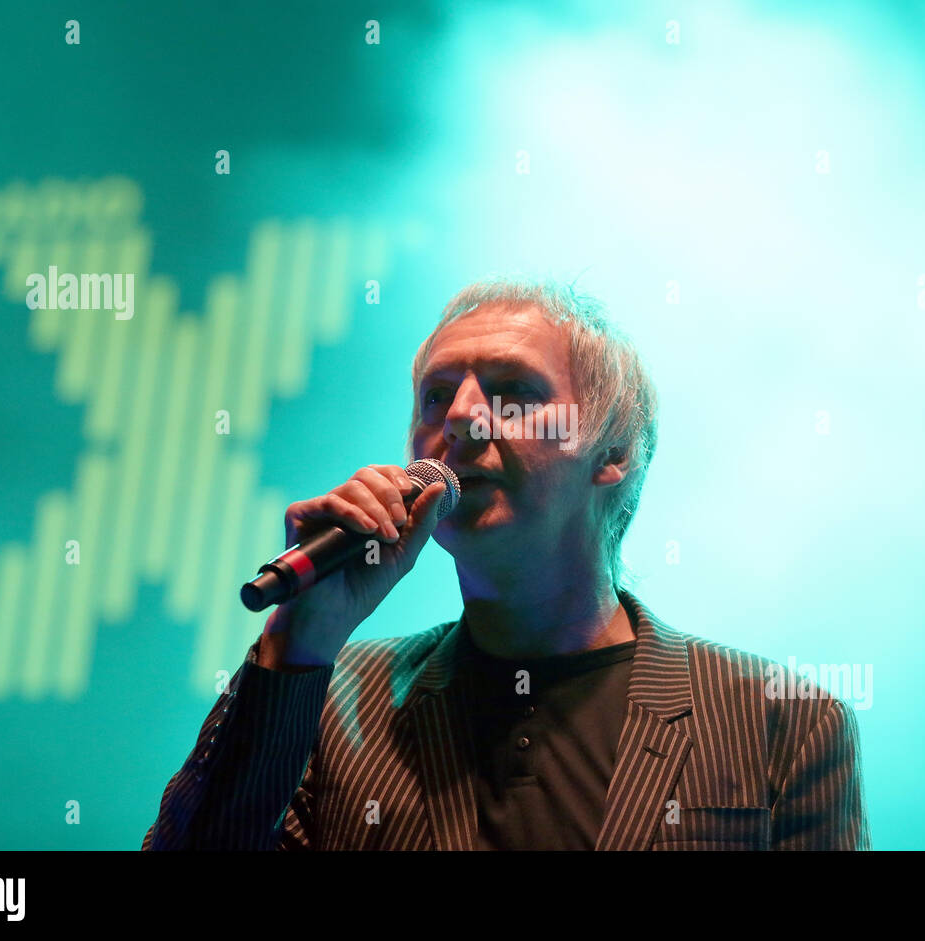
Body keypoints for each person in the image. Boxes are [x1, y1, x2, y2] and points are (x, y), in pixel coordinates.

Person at [142, 276, 869, 850]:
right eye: (435, 395)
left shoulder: (782, 719)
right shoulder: (335, 703)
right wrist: (299, 642)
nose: (459, 417)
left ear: (613, 452)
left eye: (513, 391)